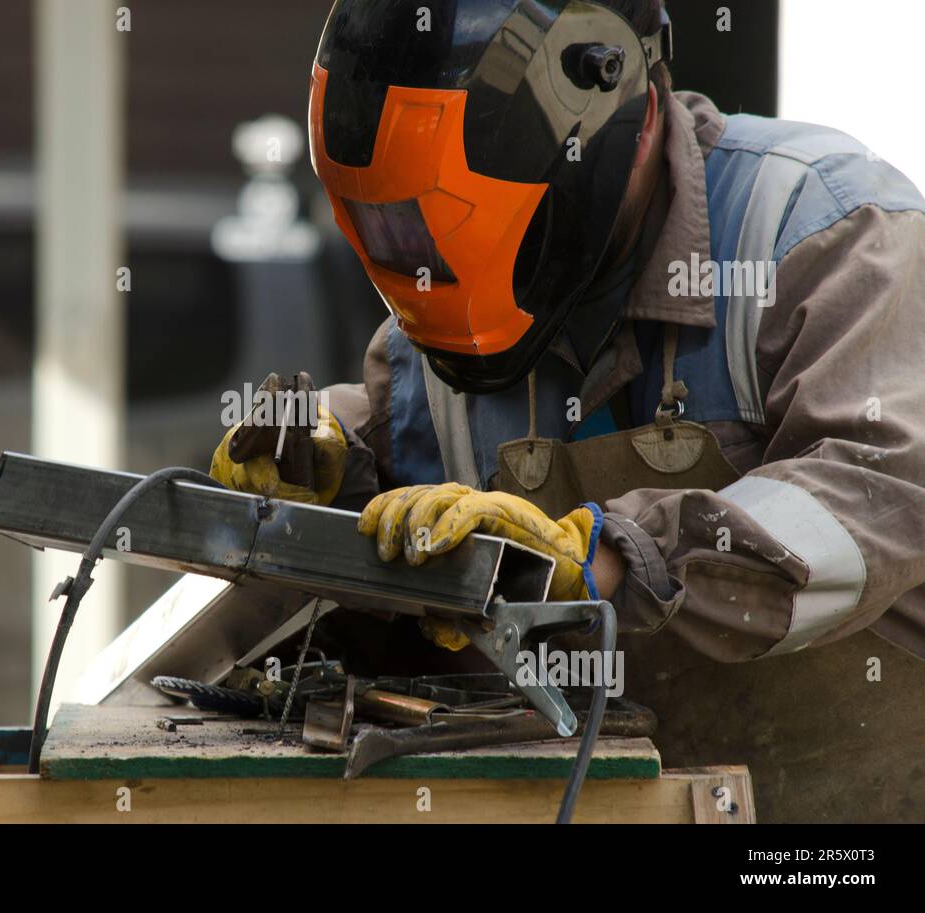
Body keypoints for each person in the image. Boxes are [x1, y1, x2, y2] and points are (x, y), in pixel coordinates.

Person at [210, 0, 925, 822]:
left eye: (448, 228)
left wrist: (608, 560)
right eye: (399, 234)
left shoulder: (824, 231)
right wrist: (334, 468)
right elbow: (417, 521)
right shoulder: (431, 343)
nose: (425, 266)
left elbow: (883, 489)